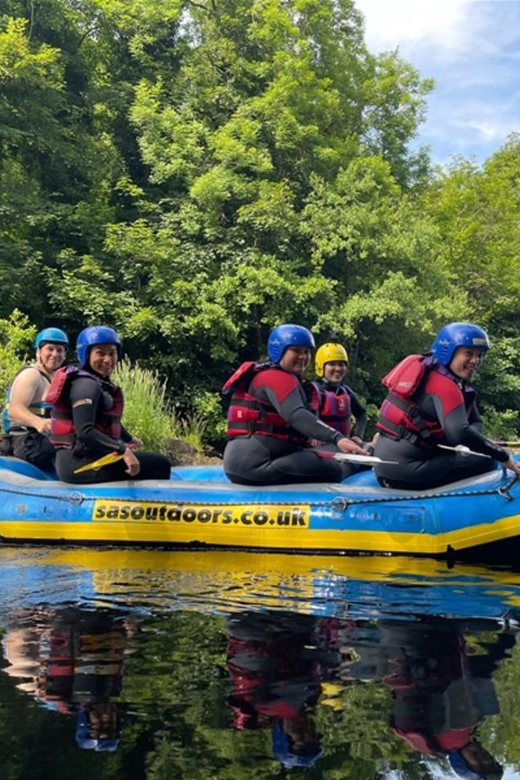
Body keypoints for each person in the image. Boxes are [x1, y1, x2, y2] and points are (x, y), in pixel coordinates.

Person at [374, 322, 520, 490]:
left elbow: (475, 423)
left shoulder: (434, 373)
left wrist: (477, 443)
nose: (475, 361)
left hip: (388, 468)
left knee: (482, 452)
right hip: (408, 472)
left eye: (480, 355)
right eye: (468, 353)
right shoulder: (444, 386)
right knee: (488, 460)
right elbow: (459, 433)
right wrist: (501, 455)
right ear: (448, 352)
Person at [222, 323, 368, 485]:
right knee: (334, 469)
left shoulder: (278, 376)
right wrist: (337, 438)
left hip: (252, 461)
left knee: (324, 456)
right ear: (279, 351)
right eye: (296, 351)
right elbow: (296, 414)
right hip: (258, 465)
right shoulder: (275, 377)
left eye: (306, 352)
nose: (303, 357)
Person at [48, 326, 171, 483]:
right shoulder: (85, 386)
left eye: (112, 353)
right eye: (100, 353)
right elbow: (85, 432)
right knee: (159, 464)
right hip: (78, 464)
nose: (108, 359)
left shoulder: (97, 382)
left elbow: (107, 422)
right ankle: (152, 506)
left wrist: (128, 439)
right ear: (86, 354)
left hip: (88, 457)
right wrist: (122, 449)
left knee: (152, 460)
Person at [1, 327, 68, 470]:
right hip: (25, 441)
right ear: (38, 351)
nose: (55, 354)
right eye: (50, 349)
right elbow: (15, 409)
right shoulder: (31, 375)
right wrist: (39, 422)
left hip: (43, 439)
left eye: (59, 350)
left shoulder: (58, 378)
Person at [310, 339, 367, 444]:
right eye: (332, 364)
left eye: (341, 364)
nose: (338, 369)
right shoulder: (313, 391)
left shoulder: (346, 392)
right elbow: (308, 420)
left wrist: (358, 435)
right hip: (319, 450)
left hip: (343, 449)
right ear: (320, 367)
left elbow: (362, 414)